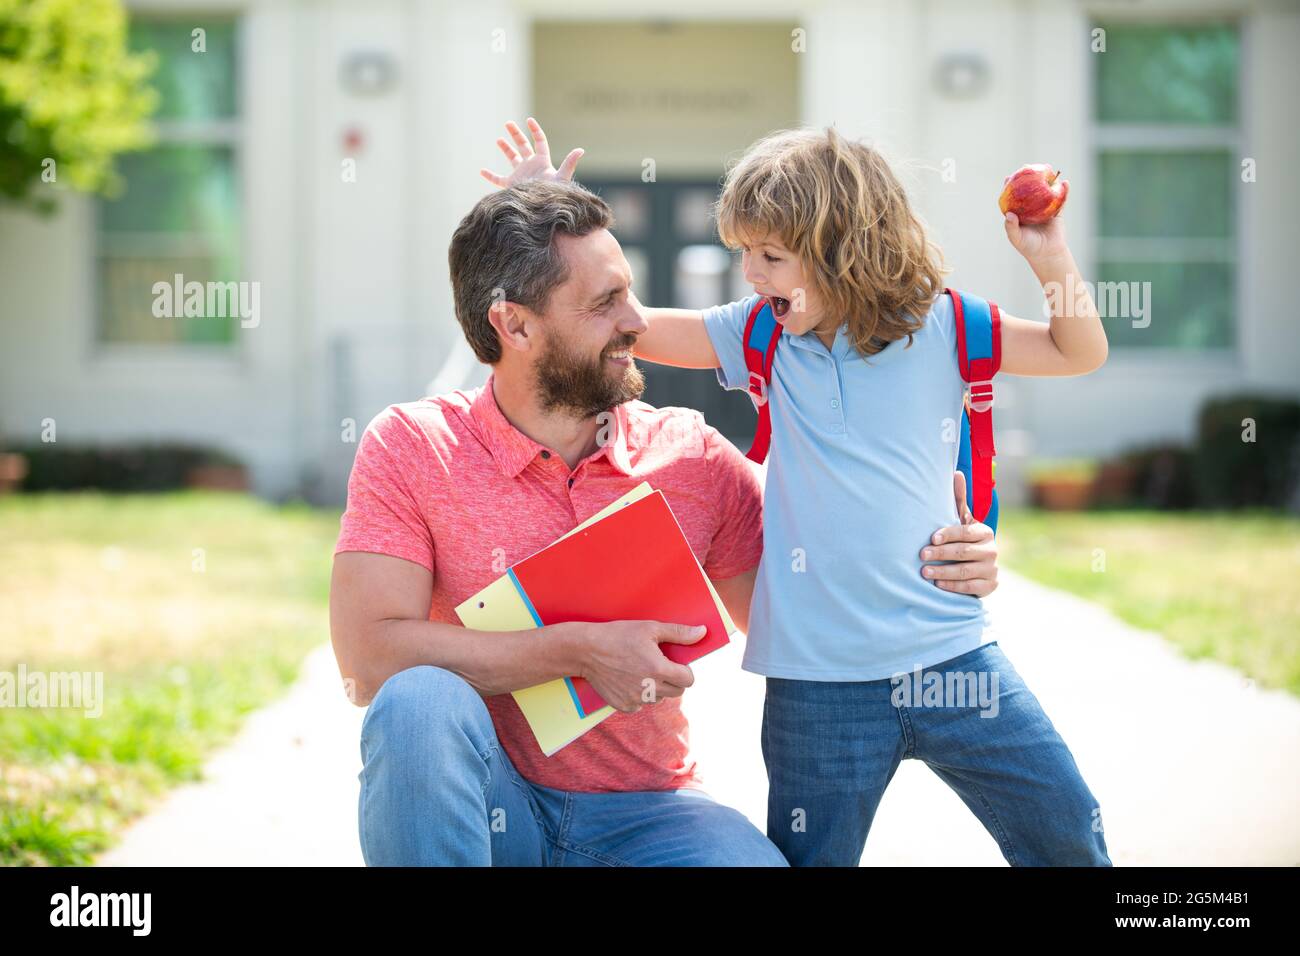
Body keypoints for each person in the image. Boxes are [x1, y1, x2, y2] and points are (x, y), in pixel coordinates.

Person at [483, 118, 1111, 866]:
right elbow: (636, 326)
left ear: (846, 251)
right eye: (744, 253)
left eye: (770, 256)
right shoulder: (764, 335)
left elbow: (1080, 351)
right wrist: (550, 213)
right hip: (818, 692)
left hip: (951, 659)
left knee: (1068, 831)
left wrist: (1050, 254)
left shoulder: (951, 326)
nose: (751, 273)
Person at [330, 168, 1000, 866]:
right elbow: (370, 660)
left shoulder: (692, 455)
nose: (637, 321)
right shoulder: (412, 446)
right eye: (607, 301)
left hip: (650, 815)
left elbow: (813, 601)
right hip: (493, 813)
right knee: (418, 705)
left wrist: (941, 560)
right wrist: (578, 652)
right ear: (514, 323)